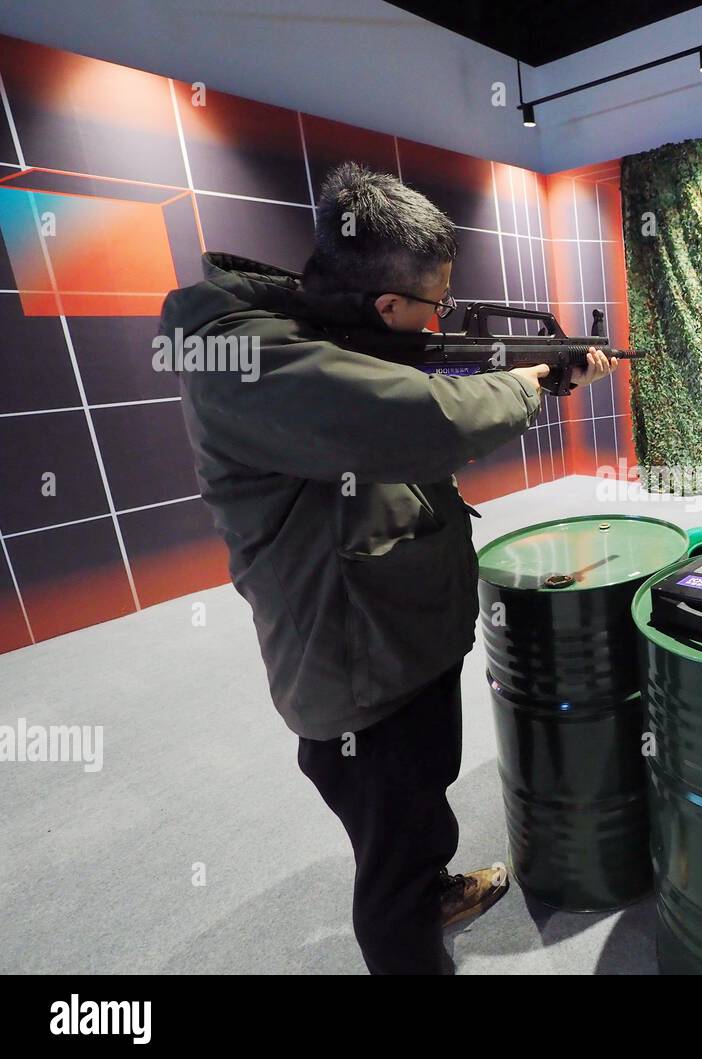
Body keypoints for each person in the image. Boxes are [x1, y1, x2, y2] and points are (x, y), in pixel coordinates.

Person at [161, 162, 618, 973]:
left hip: (401, 635)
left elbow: (418, 387)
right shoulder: (243, 357)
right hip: (351, 671)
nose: (439, 320)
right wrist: (534, 378)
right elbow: (416, 417)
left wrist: (542, 376)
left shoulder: (330, 340)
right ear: (384, 306)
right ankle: (414, 924)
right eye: (434, 304)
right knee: (390, 872)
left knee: (422, 805)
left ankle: (435, 888)